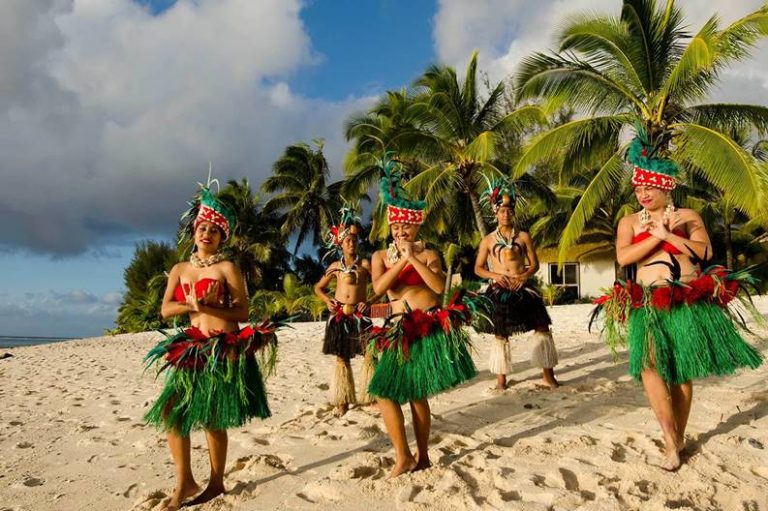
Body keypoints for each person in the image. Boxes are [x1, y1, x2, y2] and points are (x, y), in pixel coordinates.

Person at [592, 128, 764, 471]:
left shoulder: (688, 217)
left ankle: (679, 438)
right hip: (648, 301)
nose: (643, 194)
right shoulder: (629, 222)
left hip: (685, 299)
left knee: (681, 371)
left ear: (666, 187)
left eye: (649, 188)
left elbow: (704, 252)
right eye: (638, 188)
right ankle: (670, 438)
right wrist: (655, 238)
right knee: (649, 366)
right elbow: (624, 257)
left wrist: (669, 234)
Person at [143, 176, 282, 510]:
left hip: (223, 348)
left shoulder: (227, 267)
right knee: (172, 413)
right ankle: (185, 481)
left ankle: (216, 482)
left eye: (214, 231)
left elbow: (243, 312)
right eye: (202, 228)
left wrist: (206, 306)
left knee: (213, 418)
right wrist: (190, 305)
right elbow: (166, 310)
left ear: (222, 237)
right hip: (193, 348)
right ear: (194, 231)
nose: (207, 234)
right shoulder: (180, 269)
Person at [366, 155, 478, 478]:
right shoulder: (379, 256)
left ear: (417, 226)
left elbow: (440, 287)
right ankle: (402, 455)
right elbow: (378, 289)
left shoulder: (429, 254)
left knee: (417, 393)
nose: (400, 231)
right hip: (397, 329)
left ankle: (423, 455)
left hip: (425, 325)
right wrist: (401, 261)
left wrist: (413, 259)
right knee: (384, 392)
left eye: (406, 226)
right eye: (396, 226)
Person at [474, 177, 559, 390]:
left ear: (513, 213)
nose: (506, 214)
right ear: (495, 213)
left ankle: (548, 376)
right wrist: (495, 276)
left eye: (509, 211)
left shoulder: (523, 237)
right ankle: (501, 381)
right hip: (500, 288)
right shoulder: (488, 240)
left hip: (523, 287)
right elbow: (478, 268)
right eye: (502, 211)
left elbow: (534, 264)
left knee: (542, 326)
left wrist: (525, 276)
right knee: (501, 332)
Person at [314, 205, 377, 416]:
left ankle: (371, 396)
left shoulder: (365, 264)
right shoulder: (335, 266)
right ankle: (343, 400)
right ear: (340, 243)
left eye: (355, 239)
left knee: (370, 353)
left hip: (361, 315)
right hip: (340, 315)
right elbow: (318, 288)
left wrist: (369, 302)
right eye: (348, 239)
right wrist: (327, 300)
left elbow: (379, 287)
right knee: (342, 358)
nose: (352, 242)